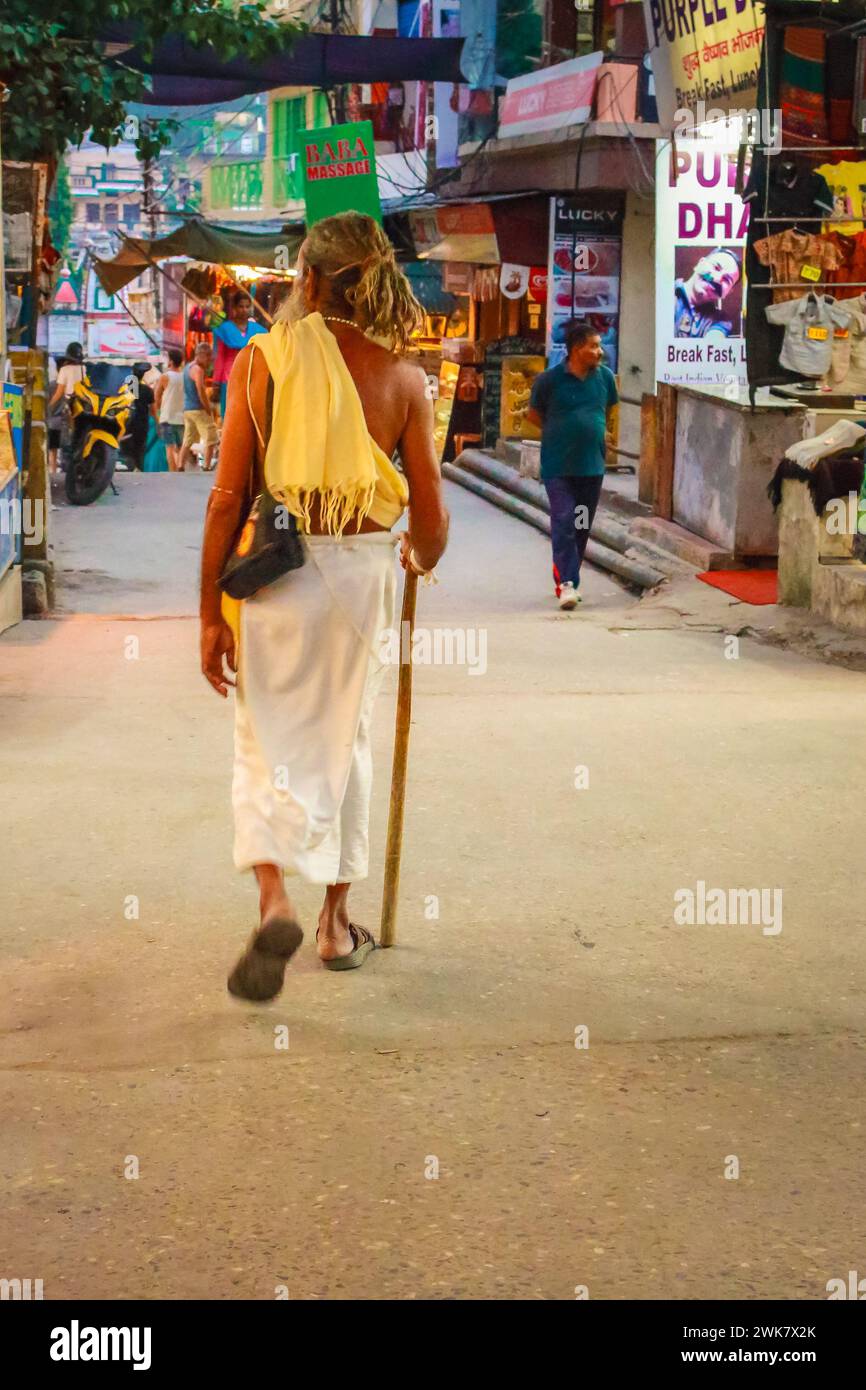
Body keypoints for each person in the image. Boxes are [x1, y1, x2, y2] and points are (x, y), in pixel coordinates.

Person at [199, 210, 449, 1001]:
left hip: (275, 571)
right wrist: (417, 554)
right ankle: (338, 927)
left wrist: (208, 610)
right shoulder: (405, 378)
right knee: (349, 742)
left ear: (307, 281)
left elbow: (226, 498)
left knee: (262, 741)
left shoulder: (263, 363)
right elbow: (432, 525)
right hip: (362, 575)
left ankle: (274, 898)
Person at [527, 321, 618, 610]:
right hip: (558, 467)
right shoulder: (549, 381)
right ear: (577, 349)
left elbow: (608, 410)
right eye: (593, 346)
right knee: (564, 519)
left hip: (591, 467)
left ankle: (567, 574)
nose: (599, 352)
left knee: (580, 524)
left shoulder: (605, 378)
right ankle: (567, 583)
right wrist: (560, 432)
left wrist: (597, 432)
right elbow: (534, 415)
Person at [212, 290, 267, 415]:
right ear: (235, 308)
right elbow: (220, 357)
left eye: (247, 306)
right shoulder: (225, 329)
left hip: (252, 376)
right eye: (241, 306)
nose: (244, 310)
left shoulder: (258, 330)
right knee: (231, 413)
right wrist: (216, 383)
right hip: (230, 377)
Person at [674, 248, 741, 339]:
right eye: (716, 267)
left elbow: (712, 345)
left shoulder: (720, 321)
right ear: (700, 263)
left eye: (727, 280)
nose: (716, 279)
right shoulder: (664, 294)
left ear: (728, 292)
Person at [47, 342, 86, 476]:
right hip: (84, 406)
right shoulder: (84, 369)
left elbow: (59, 393)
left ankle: (68, 468)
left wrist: (49, 406)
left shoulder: (65, 370)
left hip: (70, 406)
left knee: (68, 438)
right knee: (81, 436)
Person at [178, 342, 218, 472]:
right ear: (201, 355)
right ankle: (206, 466)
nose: (209, 362)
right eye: (208, 358)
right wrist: (207, 408)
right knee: (211, 438)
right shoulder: (198, 370)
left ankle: (180, 466)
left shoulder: (187, 368)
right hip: (198, 409)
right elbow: (200, 389)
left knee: (187, 439)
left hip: (187, 409)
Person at [122, 361, 157, 472]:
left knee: (127, 449)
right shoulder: (147, 390)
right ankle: (138, 468)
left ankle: (131, 467)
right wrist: (158, 422)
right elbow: (153, 411)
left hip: (126, 424)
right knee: (139, 449)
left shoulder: (125, 388)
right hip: (141, 424)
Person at [154, 349, 186, 471]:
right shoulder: (185, 377)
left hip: (167, 417)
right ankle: (180, 467)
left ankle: (173, 473)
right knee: (181, 447)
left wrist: (158, 410)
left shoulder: (165, 377)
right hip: (182, 418)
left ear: (171, 361)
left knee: (170, 448)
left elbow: (156, 396)